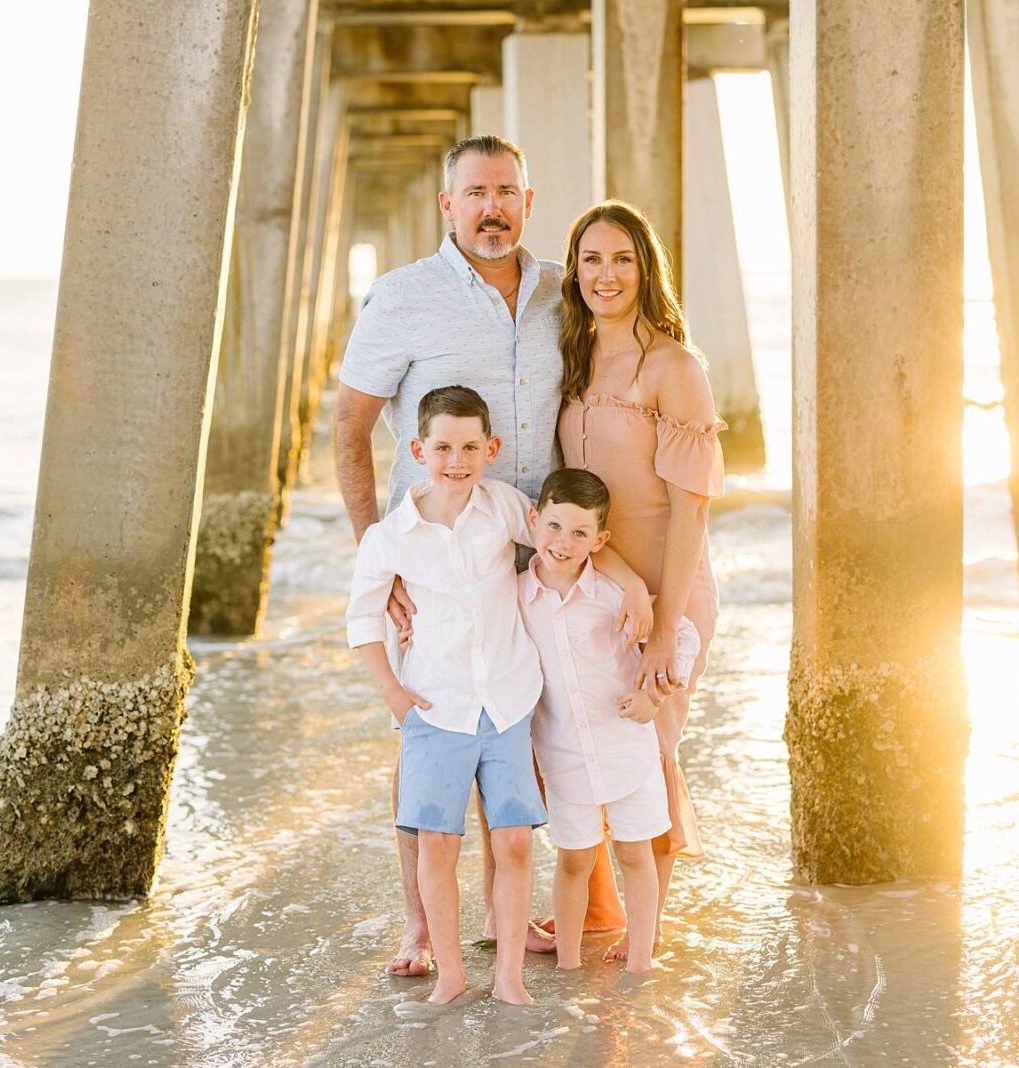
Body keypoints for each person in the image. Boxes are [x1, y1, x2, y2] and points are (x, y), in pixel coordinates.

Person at [333, 135, 641, 978]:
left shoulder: (560, 294)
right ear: (448, 205)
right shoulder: (403, 297)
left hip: (543, 559)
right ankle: (419, 929)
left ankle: (559, 910)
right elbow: (350, 429)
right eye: (475, 194)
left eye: (506, 192)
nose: (492, 209)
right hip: (435, 561)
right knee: (430, 740)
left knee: (540, 728)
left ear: (528, 202)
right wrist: (379, 559)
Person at [555, 200, 727, 962]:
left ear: (645, 269)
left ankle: (645, 942)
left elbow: (692, 510)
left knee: (649, 753)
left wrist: (664, 626)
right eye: (592, 259)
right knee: (592, 745)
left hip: (672, 589)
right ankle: (601, 912)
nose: (607, 275)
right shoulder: (576, 359)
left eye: (622, 259)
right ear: (574, 272)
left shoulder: (674, 368)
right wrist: (618, 579)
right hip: (607, 583)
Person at [345, 386, 546, 1006]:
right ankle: (452, 974)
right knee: (437, 843)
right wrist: (394, 696)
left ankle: (508, 977)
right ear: (418, 451)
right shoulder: (391, 536)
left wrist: (629, 590)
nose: (456, 461)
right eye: (442, 448)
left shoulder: (503, 506)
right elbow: (362, 620)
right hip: (436, 707)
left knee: (515, 841)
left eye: (469, 448)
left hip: (507, 700)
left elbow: (562, 545)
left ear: (492, 448)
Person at [520, 468, 700, 974]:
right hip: (563, 755)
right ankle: (568, 967)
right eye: (554, 526)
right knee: (574, 860)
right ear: (534, 521)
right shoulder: (516, 599)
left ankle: (640, 963)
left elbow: (682, 634)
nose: (563, 542)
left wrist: (654, 695)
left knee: (634, 854)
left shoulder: (614, 595)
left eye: (580, 533)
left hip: (626, 748)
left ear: (600, 541)